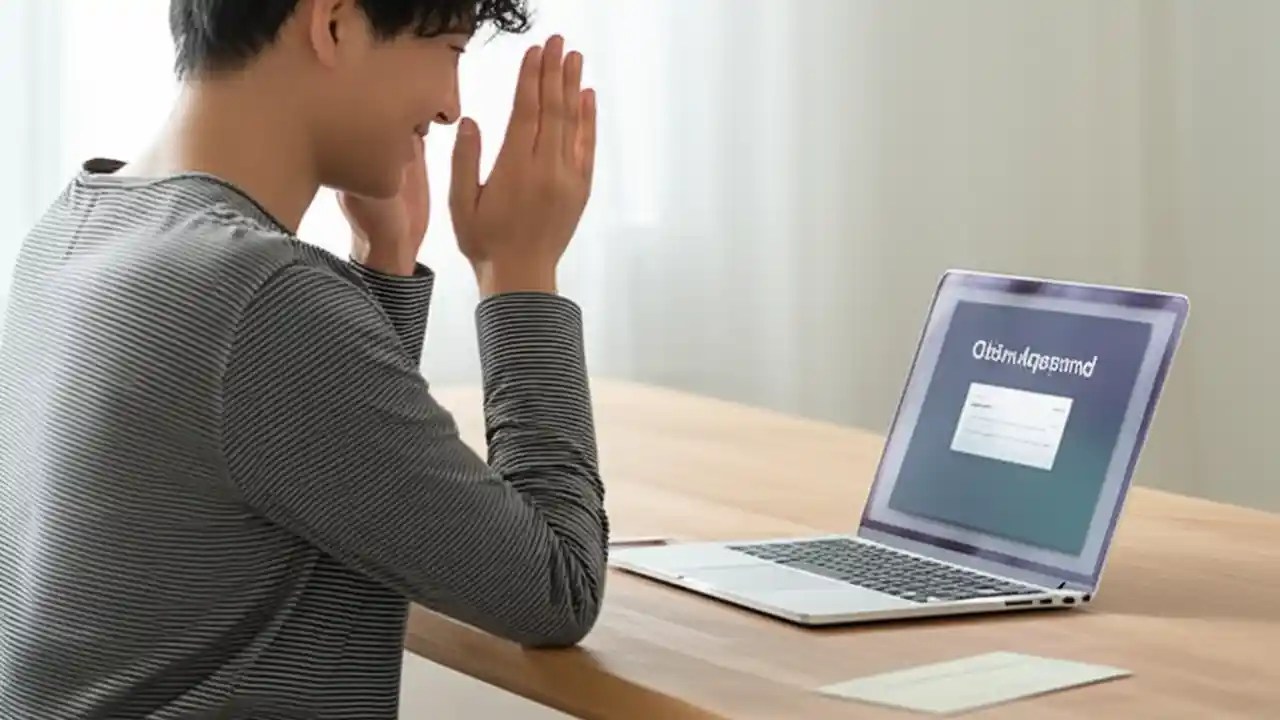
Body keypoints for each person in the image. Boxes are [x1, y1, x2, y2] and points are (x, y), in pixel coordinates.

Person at [0, 0, 607, 717]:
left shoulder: (78, 224)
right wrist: (520, 269)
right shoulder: (258, 296)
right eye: (450, 51)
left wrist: (384, 266)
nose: (450, 107)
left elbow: (314, 480)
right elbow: (555, 590)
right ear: (334, 24)